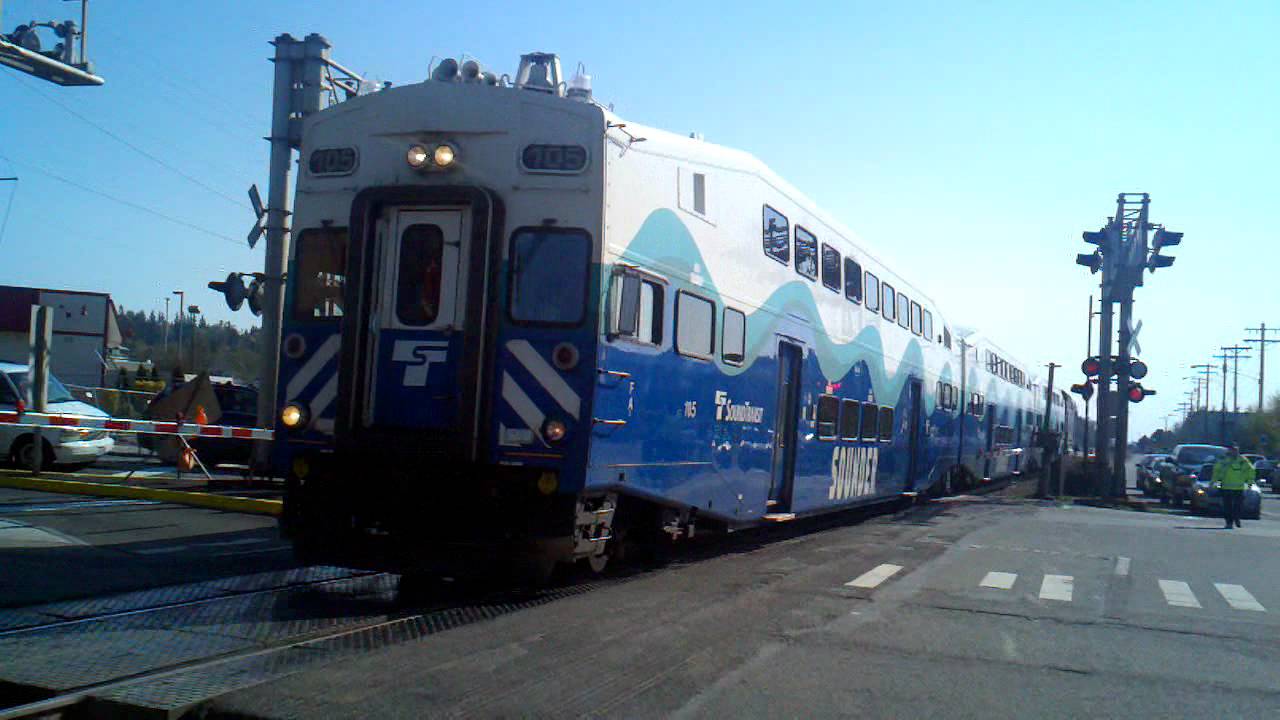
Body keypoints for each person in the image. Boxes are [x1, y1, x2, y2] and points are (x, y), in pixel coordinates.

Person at [1212, 444, 1255, 529]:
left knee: (1238, 506)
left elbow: (1250, 471)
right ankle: (1229, 522)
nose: (1233, 452)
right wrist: (1214, 482)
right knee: (1227, 507)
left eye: (1235, 450)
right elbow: (1217, 470)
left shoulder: (1243, 461)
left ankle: (1236, 518)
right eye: (1232, 450)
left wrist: (1250, 482)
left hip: (1238, 488)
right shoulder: (1224, 460)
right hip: (1226, 487)